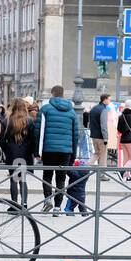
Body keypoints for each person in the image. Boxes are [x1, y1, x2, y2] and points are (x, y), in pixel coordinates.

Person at [34, 85, 80, 214]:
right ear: (63, 94)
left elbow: (38, 131)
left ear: (52, 94)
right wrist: (73, 154)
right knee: (61, 178)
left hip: (48, 149)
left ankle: (47, 199)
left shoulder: (45, 109)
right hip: (65, 150)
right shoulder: (71, 112)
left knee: (47, 175)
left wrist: (37, 151)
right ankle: (57, 207)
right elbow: (75, 135)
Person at [0, 97, 36, 205]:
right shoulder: (29, 121)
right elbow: (34, 138)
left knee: (13, 179)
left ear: (13, 107)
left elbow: (1, 139)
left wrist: (6, 149)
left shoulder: (7, 120)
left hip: (11, 152)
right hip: (25, 153)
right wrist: (32, 152)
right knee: (22, 179)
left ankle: (14, 204)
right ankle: (24, 203)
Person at [87, 93, 112, 165]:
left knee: (97, 153)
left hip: (93, 136)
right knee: (103, 156)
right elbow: (103, 125)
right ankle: (102, 175)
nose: (110, 101)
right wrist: (106, 138)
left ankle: (87, 164)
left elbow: (89, 123)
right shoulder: (103, 110)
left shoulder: (93, 109)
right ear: (105, 100)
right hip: (101, 137)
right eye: (109, 99)